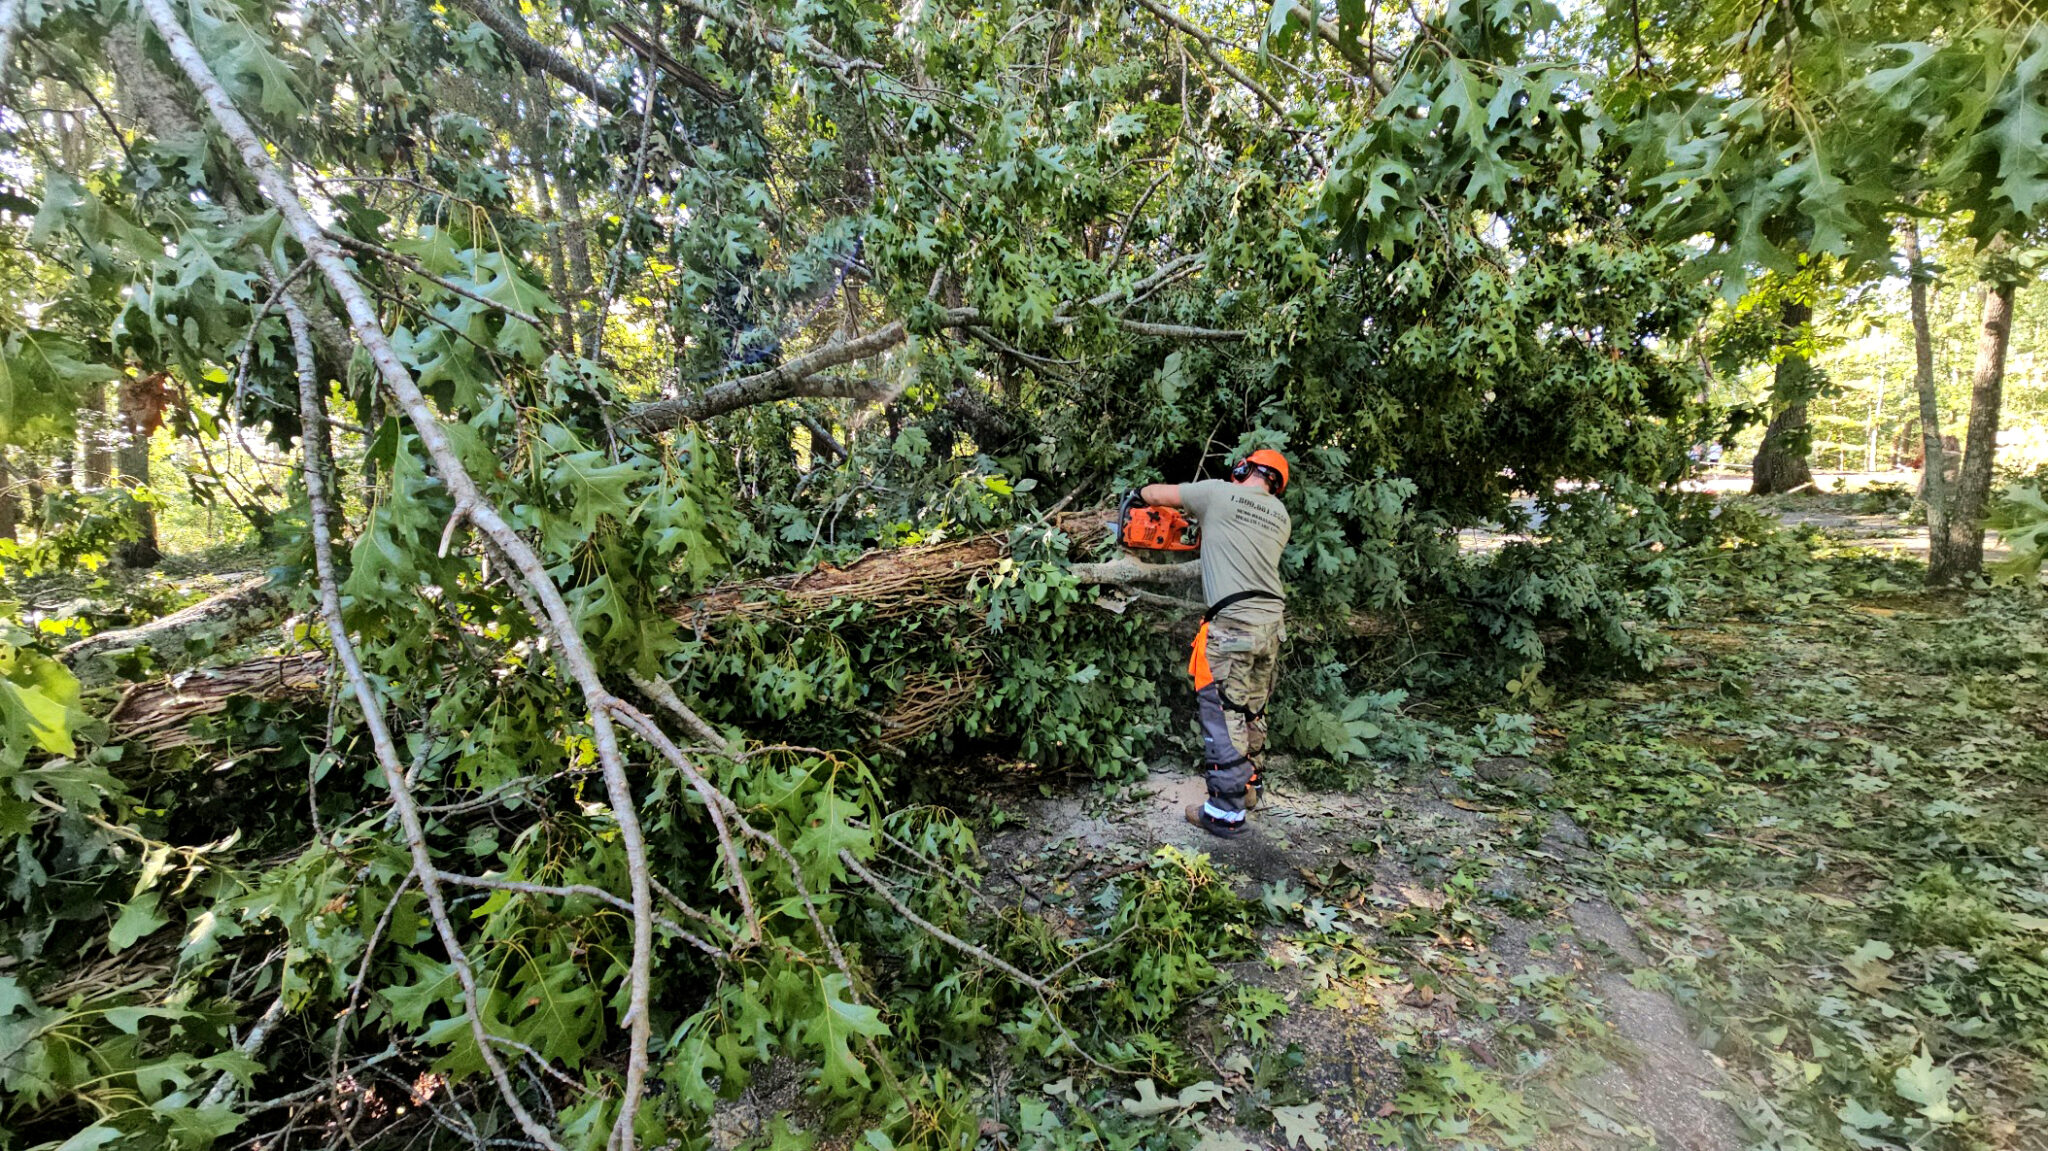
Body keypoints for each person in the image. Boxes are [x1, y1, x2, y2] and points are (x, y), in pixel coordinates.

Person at [1132, 449, 1292, 838]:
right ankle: (1248, 788)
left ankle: (1224, 811)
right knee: (1251, 709)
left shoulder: (1218, 493)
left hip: (1233, 627)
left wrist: (1137, 492)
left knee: (1223, 713)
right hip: (1271, 626)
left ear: (1244, 468)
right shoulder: (1280, 516)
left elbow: (1157, 496)